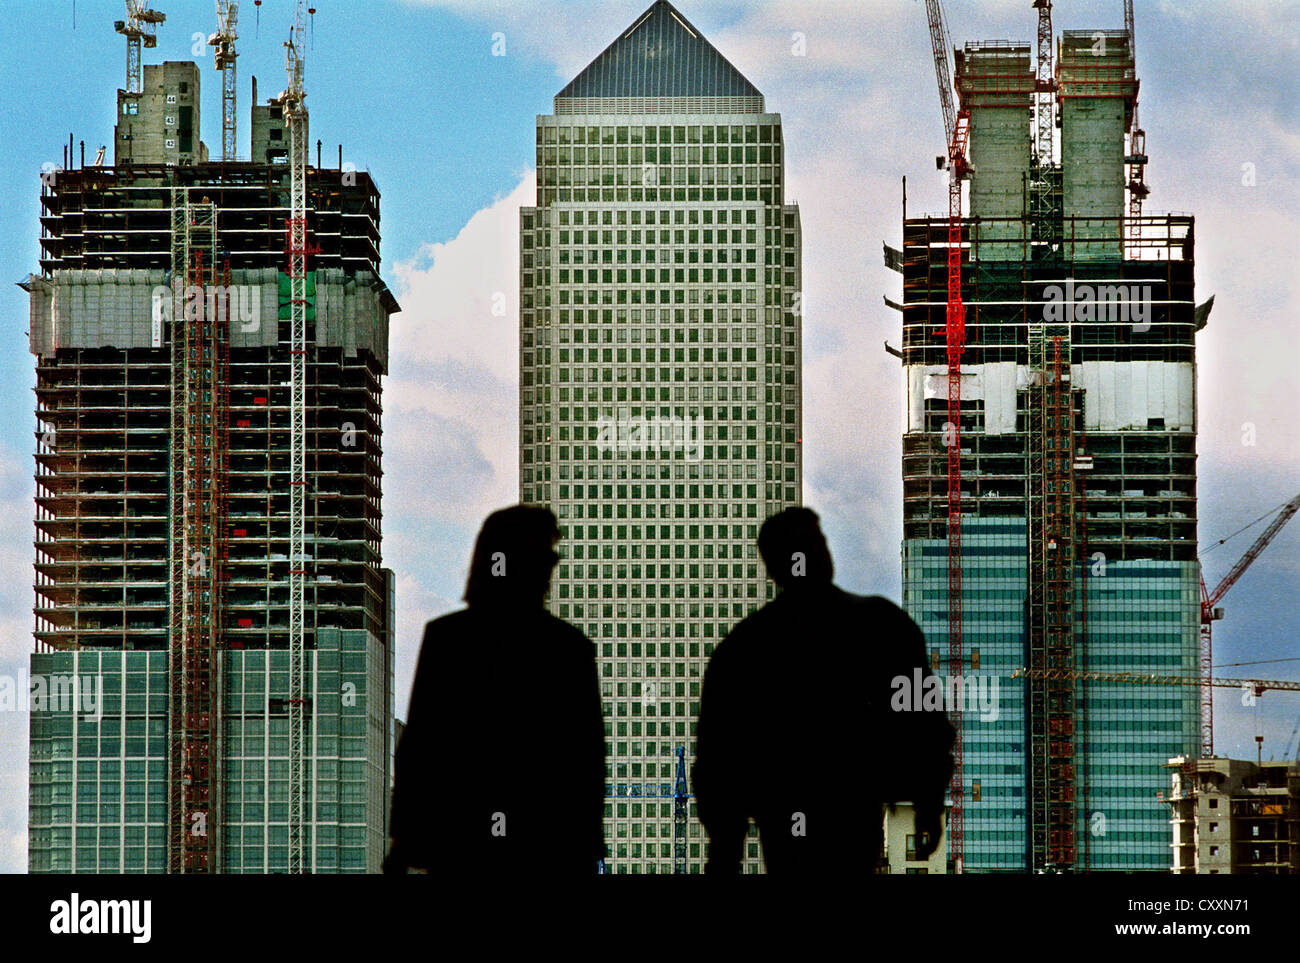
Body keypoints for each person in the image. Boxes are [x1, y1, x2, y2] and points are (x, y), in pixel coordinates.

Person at [693, 507, 954, 874]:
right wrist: (928, 802)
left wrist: (724, 849)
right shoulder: (881, 626)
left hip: (786, 818)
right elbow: (925, 722)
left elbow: (718, 761)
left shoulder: (744, 648)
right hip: (853, 808)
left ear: (772, 569)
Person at [384, 505, 606, 875]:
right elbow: (586, 766)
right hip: (547, 850)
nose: (550, 569)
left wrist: (403, 845)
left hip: (460, 847)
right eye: (545, 556)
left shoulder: (448, 640)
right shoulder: (569, 649)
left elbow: (420, 752)